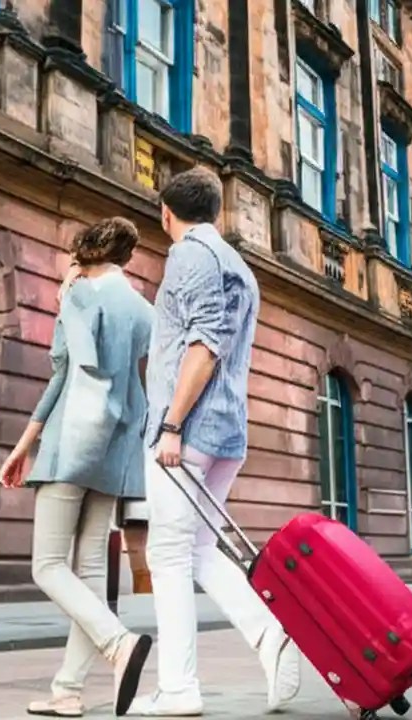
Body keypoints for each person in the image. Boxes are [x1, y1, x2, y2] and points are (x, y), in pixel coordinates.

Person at [128, 167, 301, 716]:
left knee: (168, 553)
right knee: (199, 549)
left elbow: (203, 343)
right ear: (216, 212)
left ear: (165, 213)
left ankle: (179, 688)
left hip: (189, 431)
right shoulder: (237, 264)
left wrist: (172, 423)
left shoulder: (189, 255)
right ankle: (268, 633)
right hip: (225, 430)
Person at [0, 217, 156, 718]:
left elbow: (68, 371)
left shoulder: (82, 297)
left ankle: (117, 644)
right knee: (89, 572)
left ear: (82, 257)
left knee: (47, 565)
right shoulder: (143, 309)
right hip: (116, 448)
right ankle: (68, 690)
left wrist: (24, 445)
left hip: (72, 441)